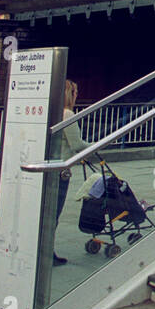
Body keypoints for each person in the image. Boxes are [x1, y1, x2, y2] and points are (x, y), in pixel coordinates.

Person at [50, 80, 87, 265]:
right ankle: (47, 253)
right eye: (75, 92)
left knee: (44, 214)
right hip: (60, 172)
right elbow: (77, 145)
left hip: (48, 168)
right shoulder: (67, 114)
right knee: (53, 215)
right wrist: (98, 145)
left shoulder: (52, 113)